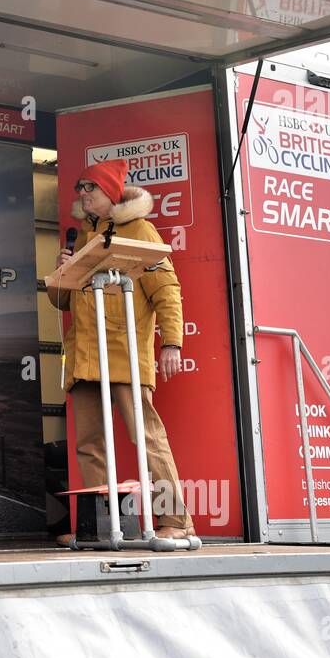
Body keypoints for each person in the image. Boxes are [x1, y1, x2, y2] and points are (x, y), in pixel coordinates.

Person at [47, 158, 196, 542]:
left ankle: (176, 522)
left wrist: (173, 343)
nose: (81, 194)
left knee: (147, 438)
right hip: (83, 357)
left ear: (110, 192)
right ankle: (102, 526)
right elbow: (62, 302)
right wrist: (62, 269)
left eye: (89, 187)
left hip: (125, 353)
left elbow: (167, 290)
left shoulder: (141, 230)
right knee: (90, 446)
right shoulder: (82, 235)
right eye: (79, 187)